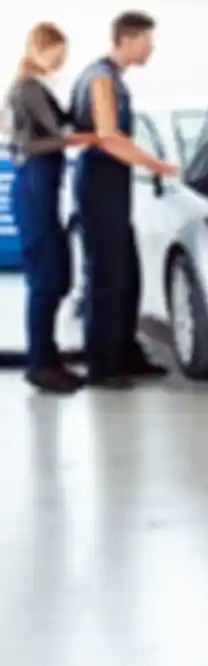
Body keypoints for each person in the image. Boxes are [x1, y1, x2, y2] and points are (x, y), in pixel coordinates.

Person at [68, 11, 176, 389]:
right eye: (148, 39)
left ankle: (125, 354)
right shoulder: (100, 77)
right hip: (100, 184)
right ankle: (102, 367)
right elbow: (109, 138)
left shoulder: (111, 78)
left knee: (126, 273)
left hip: (112, 185)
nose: (152, 47)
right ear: (128, 40)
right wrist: (161, 166)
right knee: (107, 277)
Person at [4, 23, 97, 393]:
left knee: (56, 274)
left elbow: (59, 124)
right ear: (41, 49)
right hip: (33, 188)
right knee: (46, 277)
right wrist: (92, 136)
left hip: (41, 189)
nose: (62, 59)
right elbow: (47, 138)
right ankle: (41, 363)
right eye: (58, 52)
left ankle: (48, 355)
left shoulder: (34, 86)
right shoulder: (27, 87)